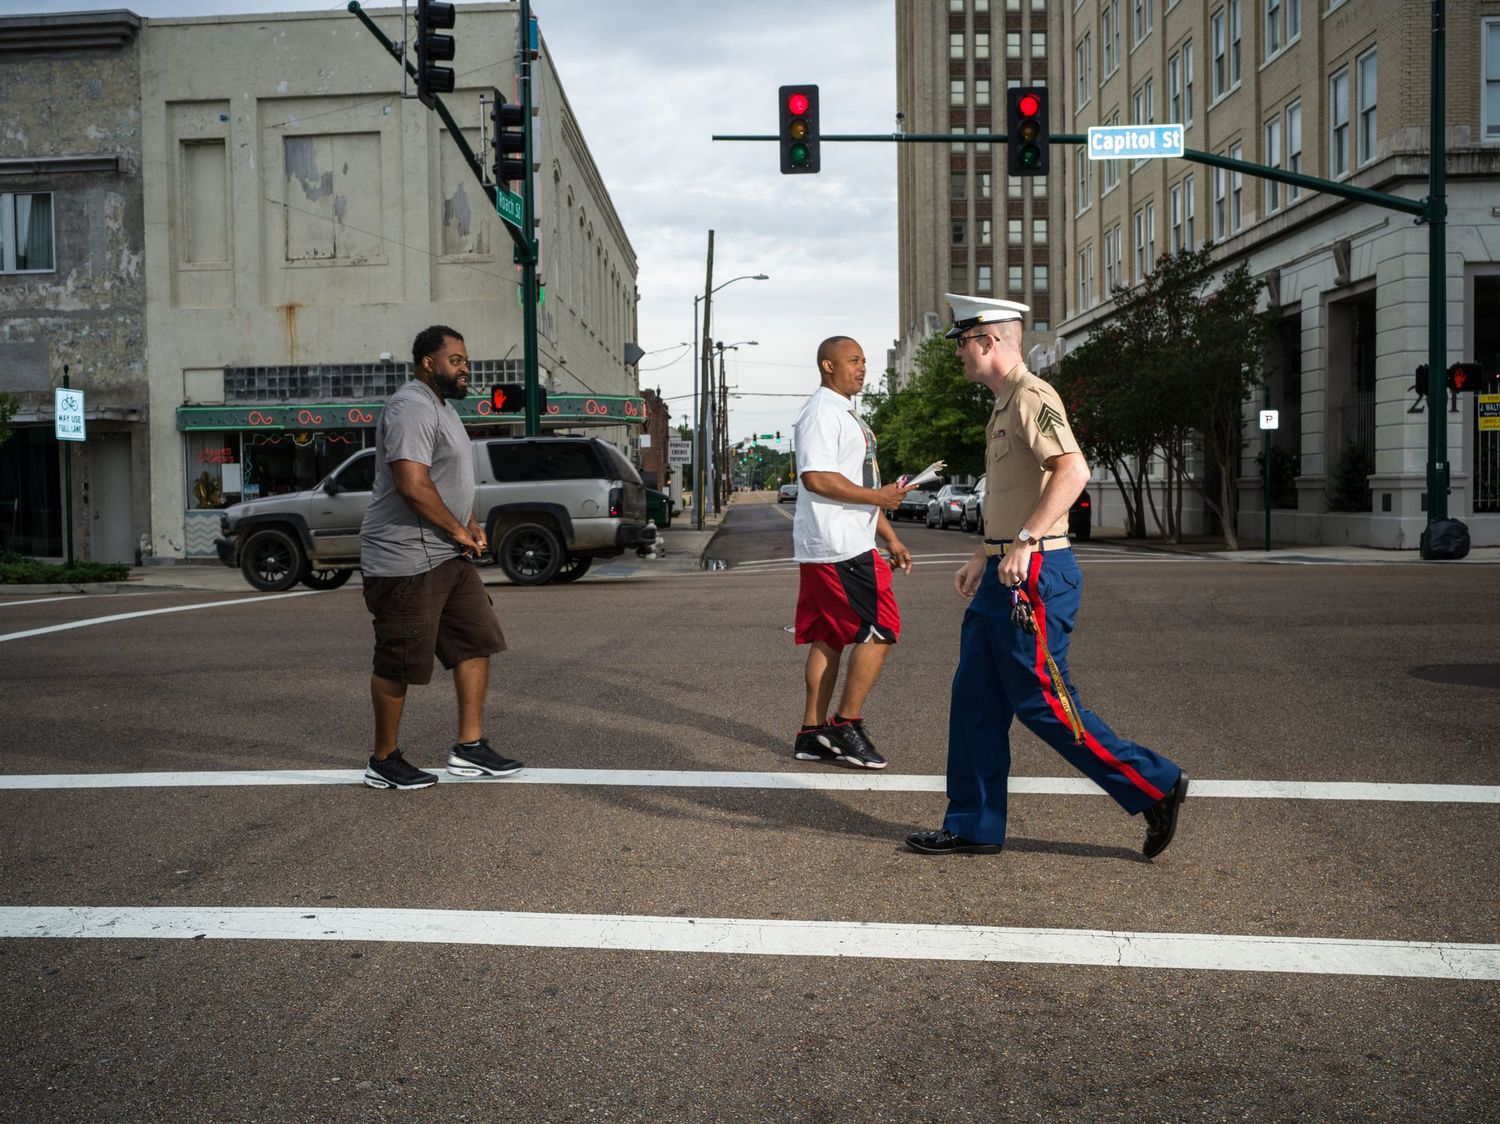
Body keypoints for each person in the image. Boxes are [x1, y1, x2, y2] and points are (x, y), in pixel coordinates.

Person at [905, 295, 1187, 858]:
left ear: (988, 341)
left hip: (1034, 574)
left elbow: (1073, 470)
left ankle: (1154, 782)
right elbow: (1019, 494)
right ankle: (973, 824)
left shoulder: (1032, 395)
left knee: (1042, 702)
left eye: (963, 342)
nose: (959, 353)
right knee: (974, 702)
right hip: (1003, 574)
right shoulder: (1002, 405)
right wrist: (987, 553)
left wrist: (1027, 541)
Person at [359, 325, 523, 790]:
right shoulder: (410, 406)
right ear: (428, 362)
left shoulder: (445, 409)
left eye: (466, 360)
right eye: (455, 359)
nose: (465, 367)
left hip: (448, 552)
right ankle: (384, 759)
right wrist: (456, 528)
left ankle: (469, 749)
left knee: (475, 641)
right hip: (406, 557)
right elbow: (412, 483)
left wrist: (467, 522)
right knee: (399, 658)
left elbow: (450, 477)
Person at [791, 335, 914, 769]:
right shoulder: (823, 413)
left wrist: (889, 536)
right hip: (838, 545)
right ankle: (846, 725)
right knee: (880, 629)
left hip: (842, 541)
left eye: (864, 360)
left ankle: (811, 734)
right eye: (853, 360)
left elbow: (858, 489)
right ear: (828, 365)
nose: (863, 368)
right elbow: (816, 478)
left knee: (829, 636)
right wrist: (877, 497)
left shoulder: (846, 412)